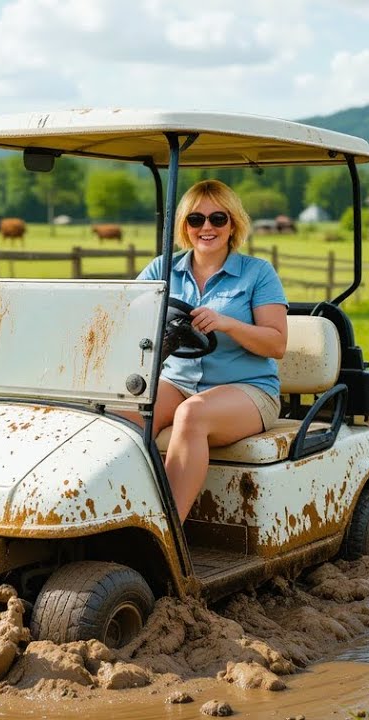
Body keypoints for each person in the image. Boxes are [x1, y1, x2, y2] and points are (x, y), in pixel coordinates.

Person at [134, 179, 288, 522]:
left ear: (233, 224)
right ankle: (117, 515)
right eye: (196, 219)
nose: (207, 227)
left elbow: (277, 344)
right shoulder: (163, 269)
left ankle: (166, 532)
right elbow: (128, 317)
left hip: (248, 390)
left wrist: (227, 323)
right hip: (179, 383)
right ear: (184, 226)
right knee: (125, 413)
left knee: (192, 415)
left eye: (218, 219)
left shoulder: (257, 273)